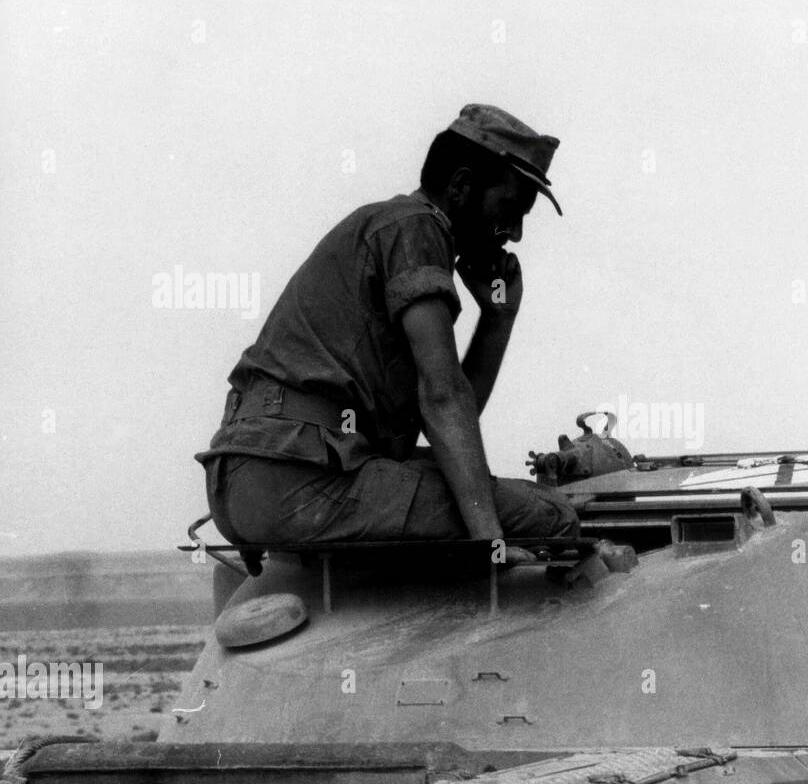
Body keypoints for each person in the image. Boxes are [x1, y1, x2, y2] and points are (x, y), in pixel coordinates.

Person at [195, 103, 579, 558]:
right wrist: (489, 545)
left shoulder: (393, 229)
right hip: (298, 480)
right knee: (551, 515)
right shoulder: (417, 228)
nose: (513, 233)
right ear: (460, 187)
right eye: (509, 209)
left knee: (474, 485)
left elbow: (453, 423)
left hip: (256, 480)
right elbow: (443, 396)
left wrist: (499, 318)